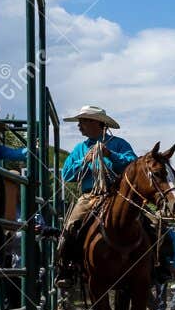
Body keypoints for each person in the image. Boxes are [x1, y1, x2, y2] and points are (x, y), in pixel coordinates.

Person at [56, 105, 140, 286]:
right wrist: (84, 161)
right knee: (70, 227)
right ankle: (66, 268)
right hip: (90, 197)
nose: (79, 125)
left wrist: (111, 154)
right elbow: (67, 175)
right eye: (80, 121)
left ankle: (158, 266)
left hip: (118, 195)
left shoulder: (119, 144)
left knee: (151, 221)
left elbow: (133, 166)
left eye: (83, 121)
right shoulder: (79, 149)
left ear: (98, 123)